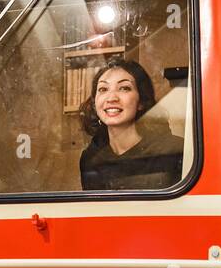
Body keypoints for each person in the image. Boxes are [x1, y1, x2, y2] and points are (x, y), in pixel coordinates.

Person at [79, 59, 184, 191]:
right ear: (95, 104)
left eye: (124, 88)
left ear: (141, 101)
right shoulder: (90, 158)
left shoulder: (174, 150)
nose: (111, 98)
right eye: (103, 89)